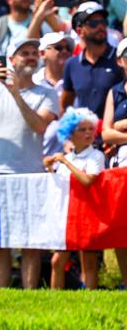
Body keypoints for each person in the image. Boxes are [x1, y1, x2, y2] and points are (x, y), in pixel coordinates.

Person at [0, 37, 57, 289]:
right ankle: (0, 294)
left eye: (33, 53)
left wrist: (16, 94)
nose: (30, 57)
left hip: (32, 173)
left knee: (30, 243)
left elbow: (39, 125)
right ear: (11, 60)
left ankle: (29, 294)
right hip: (0, 173)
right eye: (23, 53)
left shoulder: (46, 92)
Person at [46, 107, 105, 290]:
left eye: (90, 129)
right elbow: (60, 185)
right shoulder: (67, 157)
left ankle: (90, 299)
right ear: (70, 134)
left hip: (89, 213)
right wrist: (50, 167)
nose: (88, 133)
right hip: (67, 216)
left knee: (89, 261)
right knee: (58, 261)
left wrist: (64, 162)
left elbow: (87, 180)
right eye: (82, 129)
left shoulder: (96, 156)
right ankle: (55, 300)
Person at [62, 5, 122, 115]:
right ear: (80, 32)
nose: (100, 26)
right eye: (93, 23)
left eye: (103, 22)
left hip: (115, 130)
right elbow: (66, 106)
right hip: (86, 130)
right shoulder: (72, 64)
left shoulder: (121, 60)